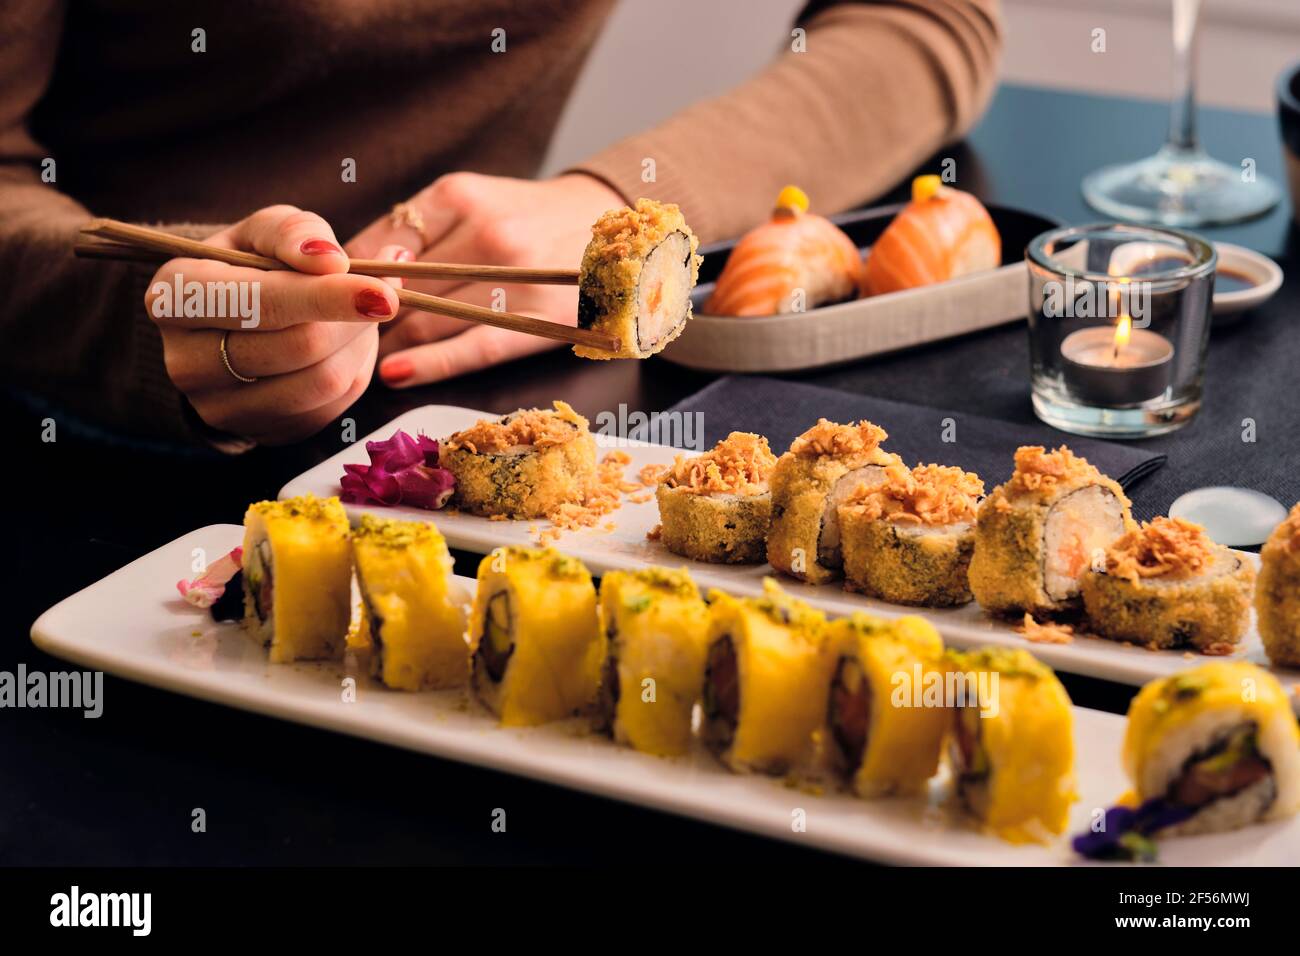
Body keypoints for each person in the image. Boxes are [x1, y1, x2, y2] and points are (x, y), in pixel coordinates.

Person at [0, 0, 1002, 449]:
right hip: (85, 406)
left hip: (490, 385)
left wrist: (605, 206)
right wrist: (144, 320)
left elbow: (927, 16)